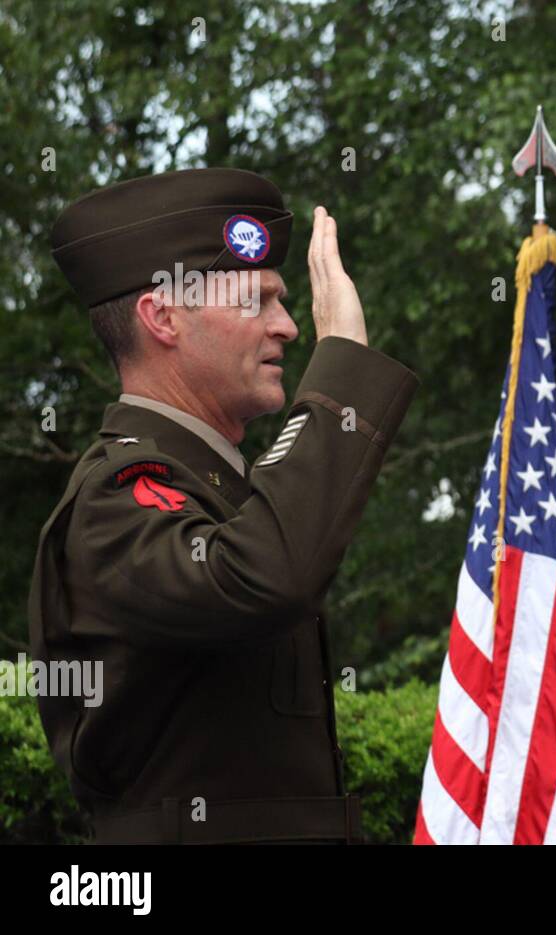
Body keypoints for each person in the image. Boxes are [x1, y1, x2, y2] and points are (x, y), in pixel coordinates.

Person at [28, 167, 419, 843]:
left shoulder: (216, 486)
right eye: (257, 300)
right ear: (163, 316)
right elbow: (263, 574)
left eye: (283, 300)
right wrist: (342, 371)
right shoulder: (116, 493)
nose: (290, 327)